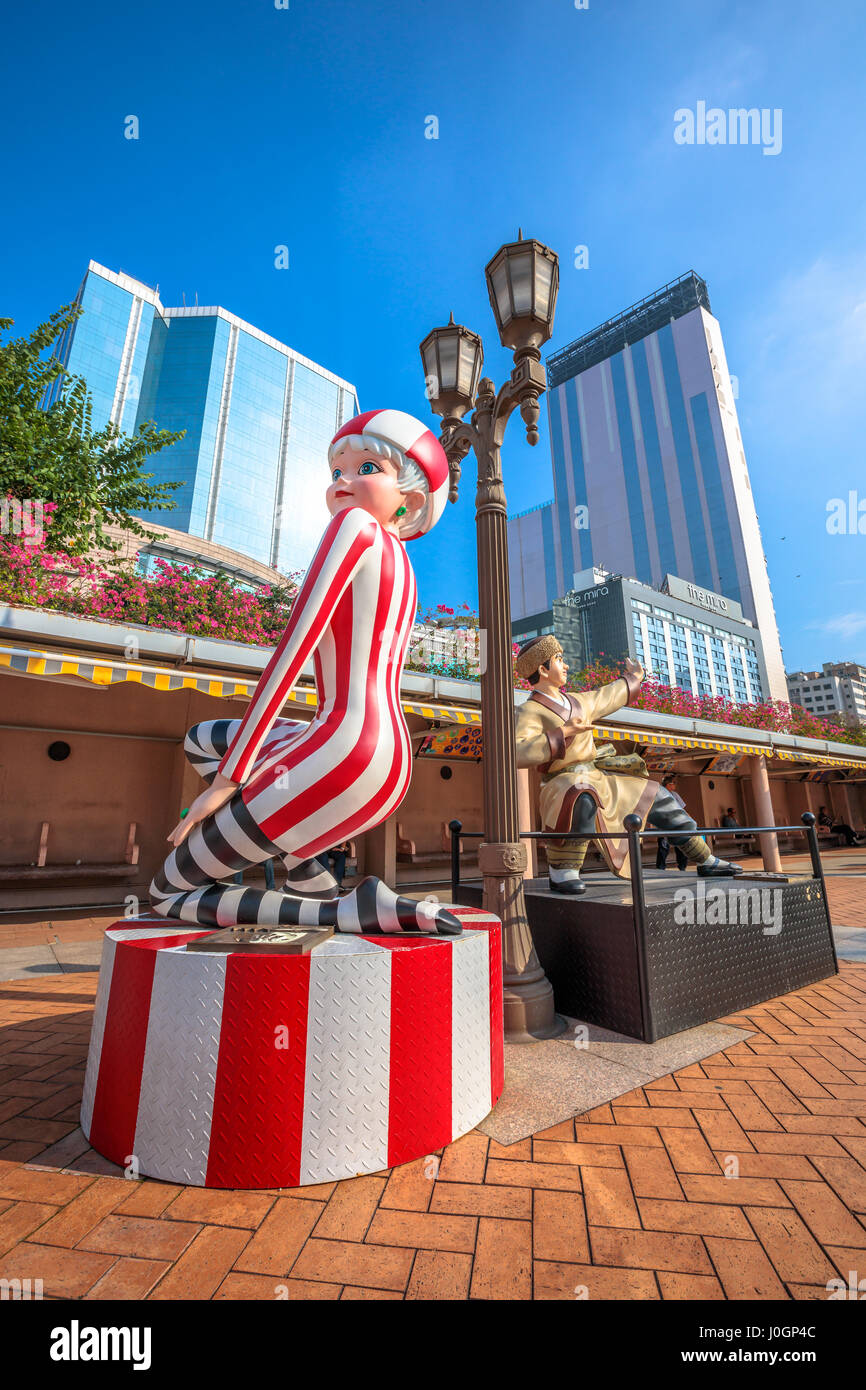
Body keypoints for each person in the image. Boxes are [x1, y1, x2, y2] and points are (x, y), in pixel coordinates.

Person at [149, 409, 461, 936]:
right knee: (203, 738)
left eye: (365, 467)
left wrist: (229, 781)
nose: (343, 483)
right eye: (336, 471)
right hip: (379, 757)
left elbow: (294, 646)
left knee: (164, 894)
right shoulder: (402, 564)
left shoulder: (356, 526)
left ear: (409, 495)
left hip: (337, 750)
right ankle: (307, 872)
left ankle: (342, 911)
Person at [513, 636, 743, 895]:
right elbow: (518, 751)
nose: (565, 666)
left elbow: (606, 696)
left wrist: (633, 679)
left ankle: (705, 859)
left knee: (658, 794)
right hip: (561, 780)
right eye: (559, 660)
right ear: (543, 669)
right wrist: (563, 732)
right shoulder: (529, 711)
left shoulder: (578, 701)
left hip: (598, 776)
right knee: (580, 795)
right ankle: (562, 870)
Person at [655, 775, 689, 871]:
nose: (675, 785)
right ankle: (660, 868)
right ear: (668, 784)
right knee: (663, 846)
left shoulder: (675, 795)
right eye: (674, 783)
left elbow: (682, 809)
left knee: (681, 845)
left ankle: (682, 866)